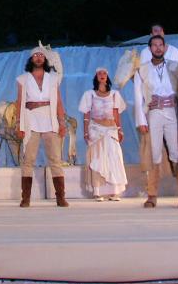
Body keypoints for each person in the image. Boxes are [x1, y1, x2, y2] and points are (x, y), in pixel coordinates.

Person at [132, 34, 178, 208]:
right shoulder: (142, 69)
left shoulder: (175, 67)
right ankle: (151, 194)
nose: (157, 48)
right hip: (154, 112)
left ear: (165, 48)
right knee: (153, 153)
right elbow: (137, 96)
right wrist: (141, 120)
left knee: (177, 152)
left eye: (160, 45)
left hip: (172, 111)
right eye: (154, 45)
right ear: (150, 49)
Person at [16, 42, 69, 208]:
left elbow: (59, 101)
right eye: (35, 55)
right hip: (31, 121)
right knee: (28, 160)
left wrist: (62, 122)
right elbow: (20, 102)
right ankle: (26, 198)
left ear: (45, 58)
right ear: (31, 59)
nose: (38, 57)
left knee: (55, 159)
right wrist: (19, 124)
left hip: (50, 121)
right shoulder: (23, 79)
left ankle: (60, 197)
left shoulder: (53, 79)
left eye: (41, 55)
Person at [80, 68, 127, 201]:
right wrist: (85, 132)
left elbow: (116, 113)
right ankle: (98, 191)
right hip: (96, 129)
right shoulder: (89, 94)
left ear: (107, 76)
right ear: (96, 76)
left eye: (105, 73)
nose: (102, 75)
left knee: (113, 157)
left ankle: (114, 191)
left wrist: (120, 129)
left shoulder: (114, 94)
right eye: (99, 73)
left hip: (111, 129)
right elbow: (86, 114)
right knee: (98, 158)